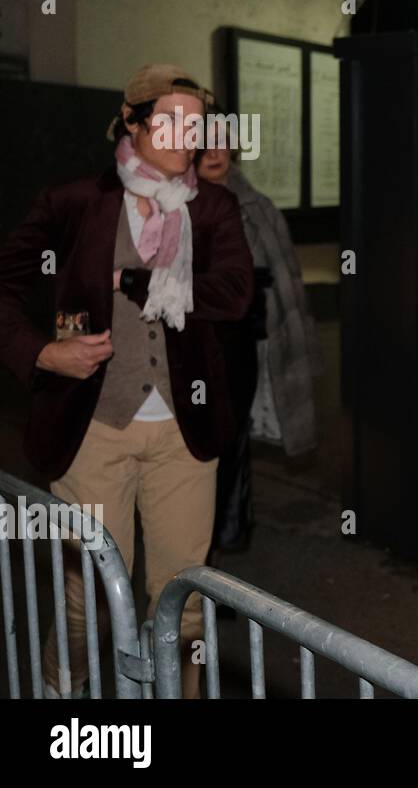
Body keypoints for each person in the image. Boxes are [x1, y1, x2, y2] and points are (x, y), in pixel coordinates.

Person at [0, 64, 254, 698]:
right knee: (89, 600)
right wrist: (40, 354)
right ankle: (67, 697)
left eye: (195, 125)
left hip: (183, 432)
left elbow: (233, 294)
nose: (186, 136)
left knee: (185, 600)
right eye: (169, 121)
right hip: (93, 430)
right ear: (133, 123)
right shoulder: (75, 203)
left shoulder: (215, 207)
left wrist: (138, 281)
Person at [195, 135, 323, 552]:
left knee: (233, 445)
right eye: (202, 145)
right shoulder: (169, 207)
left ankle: (225, 543)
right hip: (189, 353)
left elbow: (290, 289)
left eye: (221, 144)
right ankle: (195, 548)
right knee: (194, 451)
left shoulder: (257, 207)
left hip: (242, 349)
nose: (214, 154)